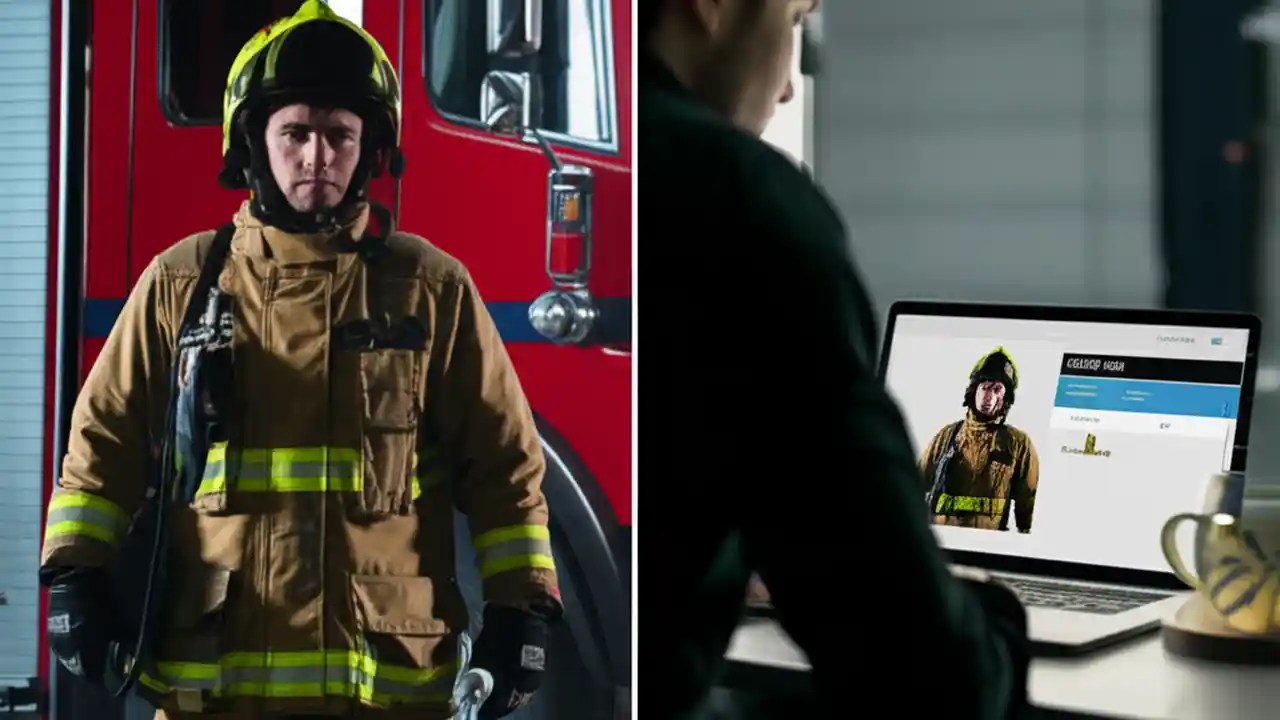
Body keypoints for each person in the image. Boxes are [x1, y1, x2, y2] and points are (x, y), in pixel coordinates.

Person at [38, 3, 559, 719]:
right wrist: (74, 579)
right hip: (213, 691)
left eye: (339, 134)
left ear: (369, 148)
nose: (317, 156)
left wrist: (521, 614)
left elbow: (505, 466)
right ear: (254, 143)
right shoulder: (183, 284)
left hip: (387, 690)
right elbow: (104, 440)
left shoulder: (430, 289)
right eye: (296, 133)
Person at [638, 1, 1032, 718]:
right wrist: (992, 611)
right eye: (793, 20)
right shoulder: (735, 197)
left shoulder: (542, 177)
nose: (789, 87)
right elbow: (919, 669)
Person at [920, 346, 1041, 533]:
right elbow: (914, 484)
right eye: (984, 387)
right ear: (974, 390)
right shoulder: (947, 437)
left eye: (997, 389)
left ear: (1005, 398)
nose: (989, 396)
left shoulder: (1018, 445)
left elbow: (1028, 505)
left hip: (988, 549)